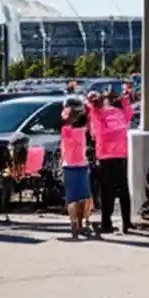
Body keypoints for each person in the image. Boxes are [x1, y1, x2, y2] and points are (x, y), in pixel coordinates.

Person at [88, 84, 137, 234]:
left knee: (107, 191)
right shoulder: (118, 113)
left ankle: (106, 223)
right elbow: (130, 112)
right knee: (123, 189)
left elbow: (95, 133)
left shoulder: (97, 113)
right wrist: (124, 99)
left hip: (106, 156)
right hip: (119, 155)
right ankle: (126, 222)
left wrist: (94, 101)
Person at [60, 96, 95, 239]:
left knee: (73, 197)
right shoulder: (80, 130)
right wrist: (87, 104)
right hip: (79, 165)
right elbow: (89, 115)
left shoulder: (66, 129)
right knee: (83, 197)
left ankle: (75, 223)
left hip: (69, 166)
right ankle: (80, 223)